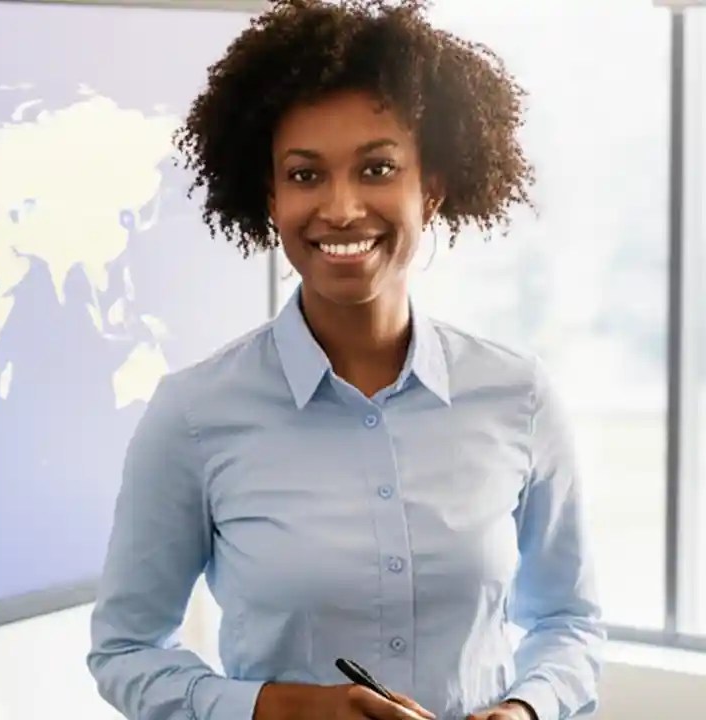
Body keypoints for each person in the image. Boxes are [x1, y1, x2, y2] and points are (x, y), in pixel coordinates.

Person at [85, 1, 604, 719]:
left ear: (433, 185)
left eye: (378, 168)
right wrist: (278, 709)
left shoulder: (518, 396)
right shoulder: (195, 415)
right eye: (304, 176)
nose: (340, 207)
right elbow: (125, 651)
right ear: (268, 195)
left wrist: (523, 711)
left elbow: (569, 625)